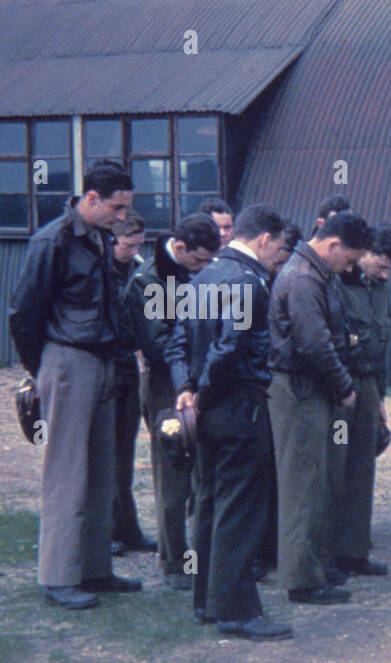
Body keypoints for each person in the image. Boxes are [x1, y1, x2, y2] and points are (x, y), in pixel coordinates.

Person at [8, 161, 141, 609]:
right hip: (67, 361)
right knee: (66, 473)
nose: (122, 217)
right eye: (116, 207)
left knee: (101, 472)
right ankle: (59, 576)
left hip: (101, 362)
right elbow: (24, 313)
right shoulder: (53, 241)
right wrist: (44, 369)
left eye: (126, 207)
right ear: (91, 199)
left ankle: (95, 569)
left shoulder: (100, 239)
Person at [170, 204, 292, 639]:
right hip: (237, 405)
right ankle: (236, 609)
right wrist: (203, 390)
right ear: (263, 240)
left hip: (206, 407)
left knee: (212, 504)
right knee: (240, 510)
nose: (279, 255)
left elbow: (179, 340)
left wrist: (186, 387)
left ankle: (207, 599)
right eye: (279, 246)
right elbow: (230, 347)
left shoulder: (203, 277)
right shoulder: (248, 283)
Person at [269, 210, 373, 604]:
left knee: (318, 480)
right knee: (303, 486)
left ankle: (314, 565)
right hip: (299, 389)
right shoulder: (303, 279)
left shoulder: (313, 274)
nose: (349, 267)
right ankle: (302, 579)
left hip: (310, 388)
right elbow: (314, 343)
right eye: (348, 259)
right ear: (332, 245)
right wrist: (344, 386)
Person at [125, 212, 221, 589]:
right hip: (167, 386)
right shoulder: (146, 282)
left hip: (198, 383)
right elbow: (158, 343)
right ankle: (174, 560)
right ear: (179, 248)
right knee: (173, 473)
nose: (204, 267)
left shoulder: (201, 273)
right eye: (198, 260)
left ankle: (200, 553)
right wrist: (194, 372)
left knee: (202, 473)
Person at [333, 226, 391, 577]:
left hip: (369, 384)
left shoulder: (381, 287)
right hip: (340, 385)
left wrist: (376, 398)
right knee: (335, 466)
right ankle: (328, 550)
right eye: (382, 267)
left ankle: (354, 551)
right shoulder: (338, 284)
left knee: (363, 466)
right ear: (366, 255)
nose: (386, 275)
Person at [108, 213, 156, 557]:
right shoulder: (100, 272)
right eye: (129, 244)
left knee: (124, 457)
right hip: (107, 371)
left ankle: (127, 528)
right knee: (104, 457)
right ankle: (105, 530)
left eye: (140, 244)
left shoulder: (138, 273)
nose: (135, 250)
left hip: (129, 370)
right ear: (114, 241)